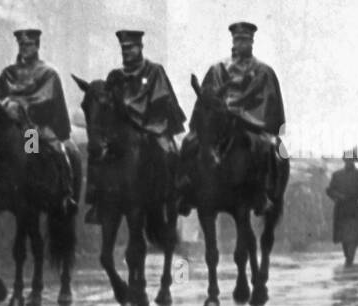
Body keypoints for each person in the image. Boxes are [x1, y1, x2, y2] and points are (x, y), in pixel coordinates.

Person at [180, 21, 284, 215]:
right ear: (232, 41)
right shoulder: (218, 68)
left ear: (252, 42)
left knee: (270, 147)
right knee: (189, 142)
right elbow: (206, 98)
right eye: (238, 40)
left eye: (246, 40)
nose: (241, 44)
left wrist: (239, 111)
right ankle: (186, 191)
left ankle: (264, 193)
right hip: (219, 122)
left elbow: (267, 103)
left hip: (250, 123)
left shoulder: (263, 71)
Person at [98, 28, 185, 221]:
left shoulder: (154, 70)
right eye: (123, 48)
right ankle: (95, 201)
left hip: (150, 127)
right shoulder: (115, 75)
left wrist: (145, 121)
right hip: (30, 128)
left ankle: (174, 194)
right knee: (97, 152)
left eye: (130, 48)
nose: (126, 52)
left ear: (140, 47)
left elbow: (162, 100)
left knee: (168, 153)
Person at [0, 28, 76, 213]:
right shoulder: (8, 73)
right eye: (21, 44)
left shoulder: (48, 73)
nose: (24, 48)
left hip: (34, 128)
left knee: (49, 152)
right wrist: (3, 104)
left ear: (37, 45)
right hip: (8, 127)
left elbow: (49, 102)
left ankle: (65, 192)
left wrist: (21, 107)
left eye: (28, 44)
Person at [326, 153, 358, 265]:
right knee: (344, 237)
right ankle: (348, 255)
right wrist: (338, 196)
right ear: (344, 160)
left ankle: (350, 258)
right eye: (347, 160)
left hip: (355, 208)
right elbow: (330, 190)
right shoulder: (337, 175)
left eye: (351, 160)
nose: (349, 162)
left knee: (353, 235)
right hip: (341, 209)